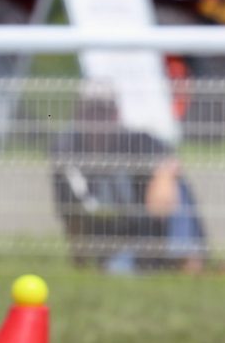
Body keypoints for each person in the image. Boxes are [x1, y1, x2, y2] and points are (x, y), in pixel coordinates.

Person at [48, 94, 208, 275]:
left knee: (177, 186)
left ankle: (185, 260)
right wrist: (79, 260)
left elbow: (171, 165)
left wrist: (161, 180)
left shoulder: (138, 141)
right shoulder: (69, 151)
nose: (97, 121)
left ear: (116, 115)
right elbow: (71, 212)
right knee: (117, 270)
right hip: (120, 238)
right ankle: (150, 263)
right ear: (79, 115)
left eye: (103, 113)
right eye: (91, 113)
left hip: (153, 226)